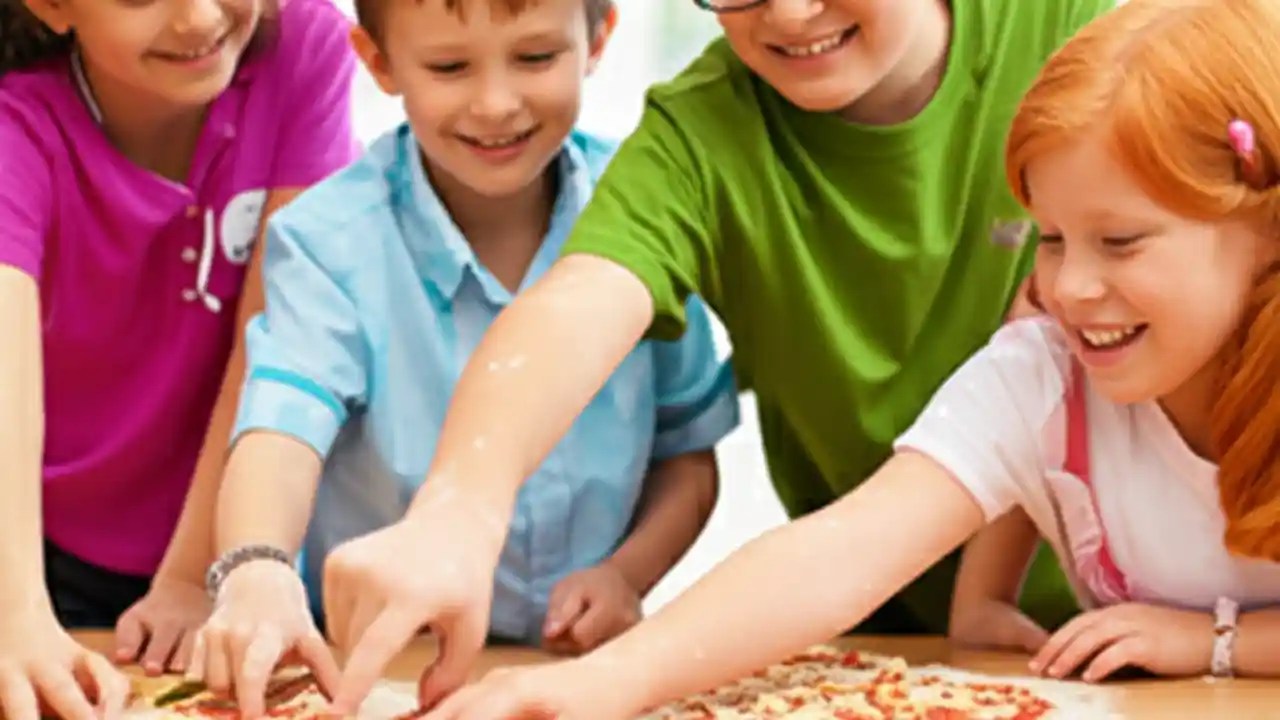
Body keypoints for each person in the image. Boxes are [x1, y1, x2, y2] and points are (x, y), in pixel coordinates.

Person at [417, 0, 1280, 715]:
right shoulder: (1042, 369)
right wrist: (599, 685)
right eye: (1049, 240)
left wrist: (1215, 642)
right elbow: (842, 549)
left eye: (1121, 242)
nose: (1071, 288)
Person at [182, 0, 739, 716]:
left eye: (535, 58)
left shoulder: (648, 215)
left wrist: (626, 576)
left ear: (599, 38)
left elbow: (687, 461)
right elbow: (280, 435)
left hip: (575, 672)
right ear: (379, 62)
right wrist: (256, 567)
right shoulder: (328, 242)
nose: (496, 103)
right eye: (449, 67)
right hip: (381, 672)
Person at [0, 0, 357, 716]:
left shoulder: (305, 43)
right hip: (50, 558)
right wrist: (17, 616)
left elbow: (280, 330)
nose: (197, 18)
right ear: (51, 6)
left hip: (249, 548)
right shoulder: (17, 122)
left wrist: (199, 574)